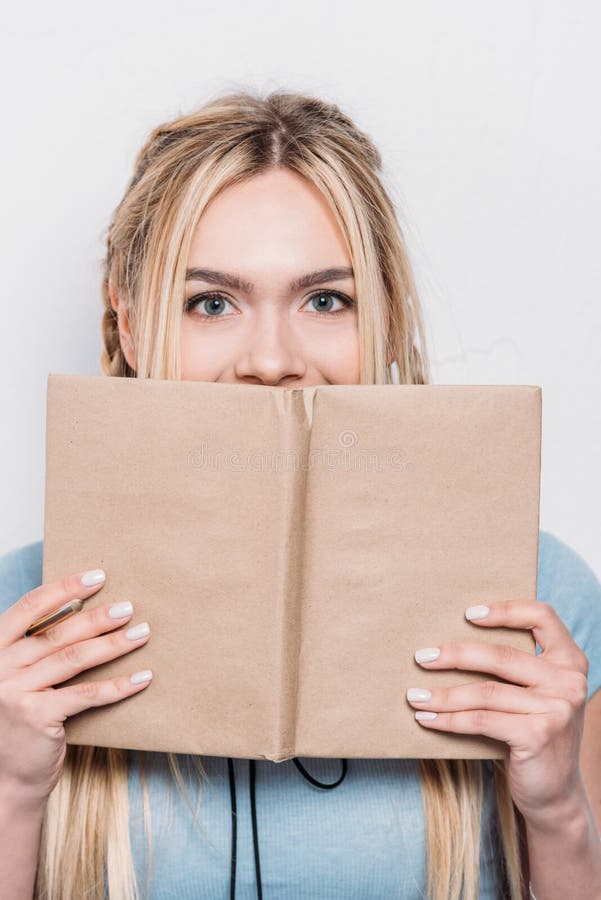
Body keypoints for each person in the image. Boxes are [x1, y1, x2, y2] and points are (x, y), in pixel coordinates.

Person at [0, 89, 600, 900]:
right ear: (132, 326)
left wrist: (559, 812)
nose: (271, 359)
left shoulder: (536, 603)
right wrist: (12, 791)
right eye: (211, 302)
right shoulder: (21, 622)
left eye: (326, 300)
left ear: (384, 319)